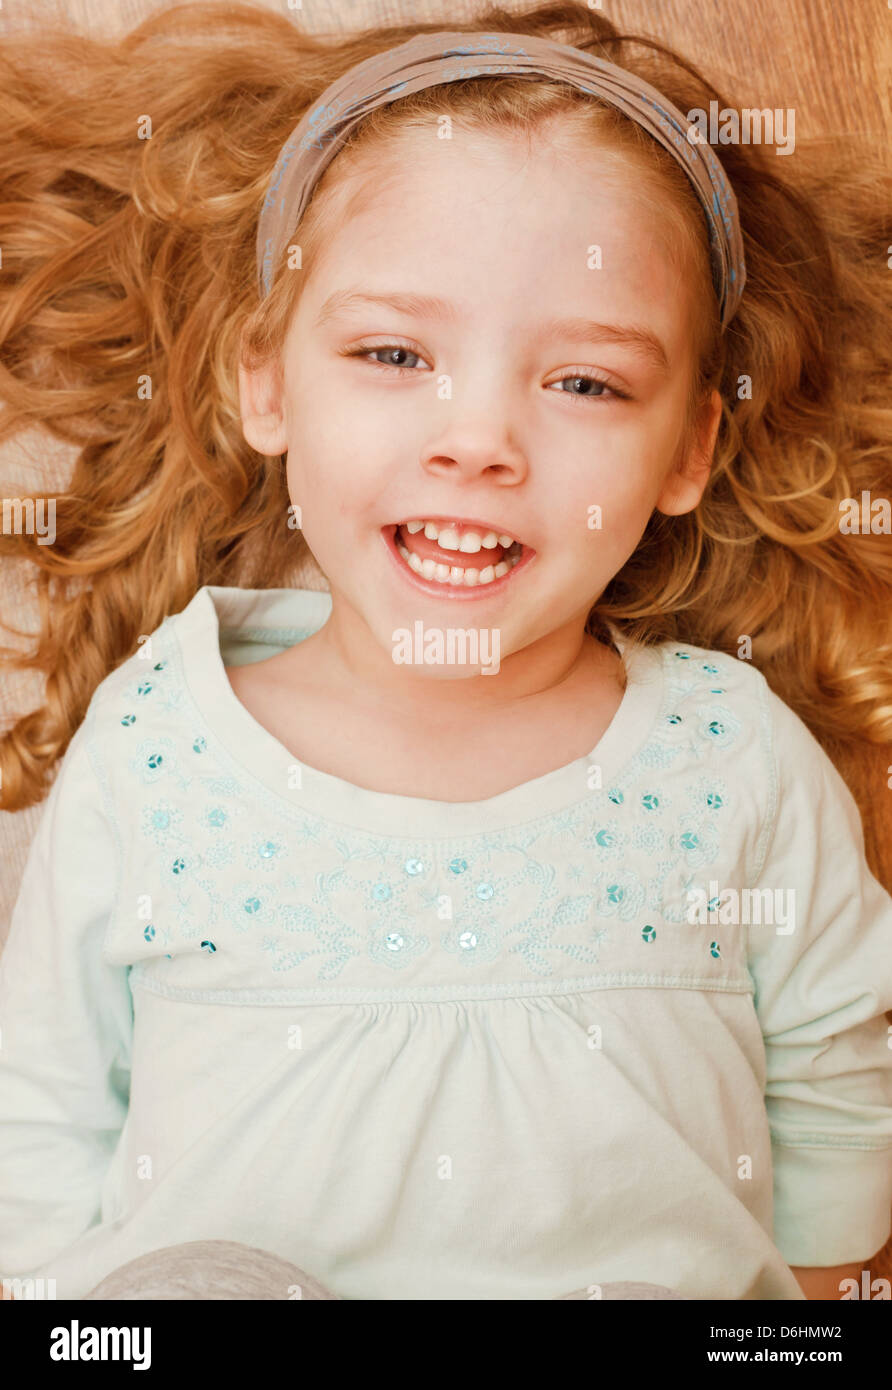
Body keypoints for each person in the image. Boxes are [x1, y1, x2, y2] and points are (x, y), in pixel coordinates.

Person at [0, 1, 890, 1301]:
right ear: (267, 383)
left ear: (690, 447)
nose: (478, 439)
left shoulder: (732, 759)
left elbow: (833, 1072)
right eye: (393, 352)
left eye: (584, 382)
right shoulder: (156, 744)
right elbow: (41, 1102)